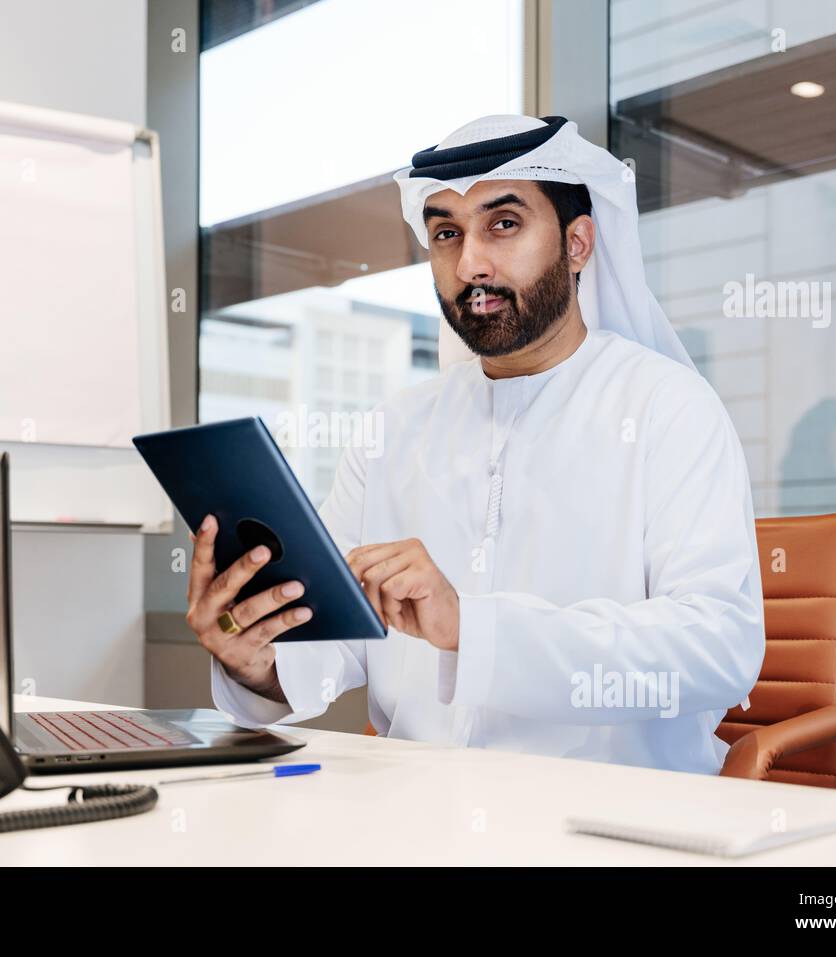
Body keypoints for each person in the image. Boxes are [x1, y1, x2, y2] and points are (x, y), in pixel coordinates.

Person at [185, 115, 765, 775]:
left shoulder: (669, 409)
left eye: (505, 224)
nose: (470, 264)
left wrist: (473, 627)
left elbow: (718, 647)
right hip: (415, 809)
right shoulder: (392, 431)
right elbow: (333, 643)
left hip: (611, 815)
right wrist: (252, 654)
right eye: (446, 234)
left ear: (579, 243)